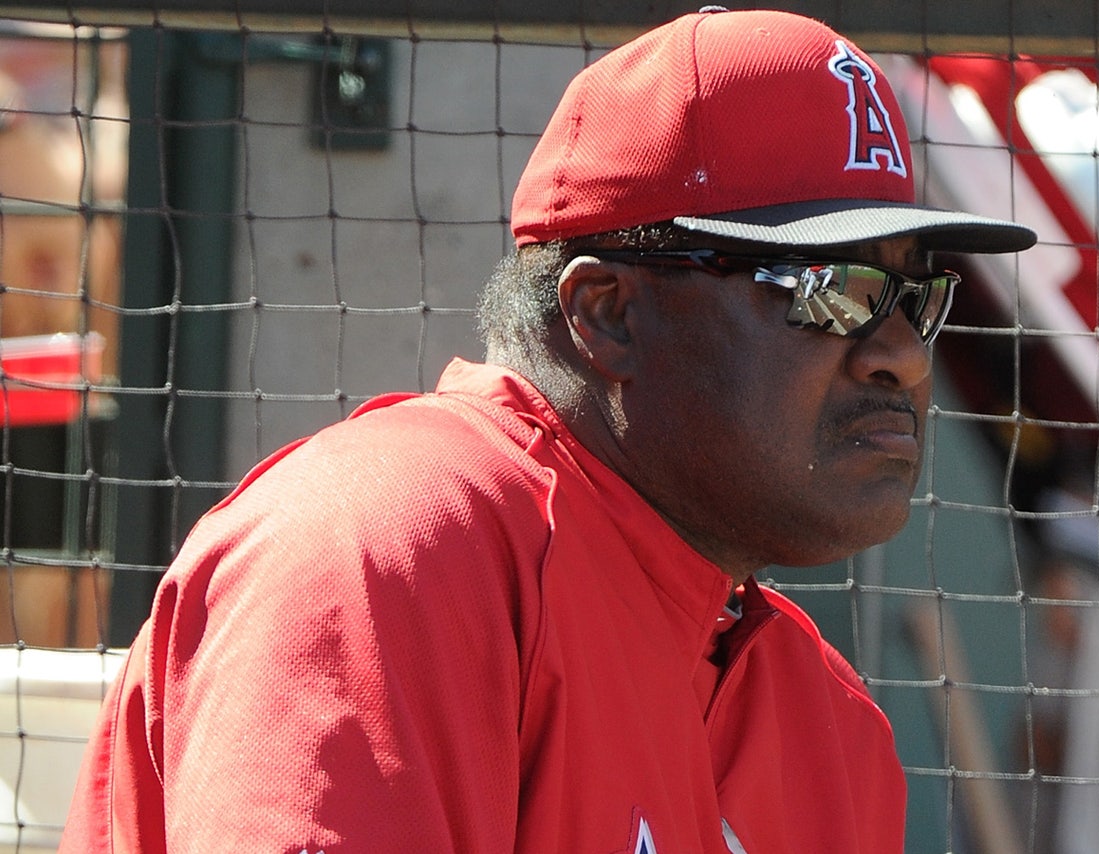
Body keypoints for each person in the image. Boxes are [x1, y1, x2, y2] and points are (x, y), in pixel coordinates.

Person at [60, 8, 1035, 852]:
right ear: (607, 312)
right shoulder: (389, 551)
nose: (900, 353)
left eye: (914, 294)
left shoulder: (829, 728)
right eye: (833, 289)